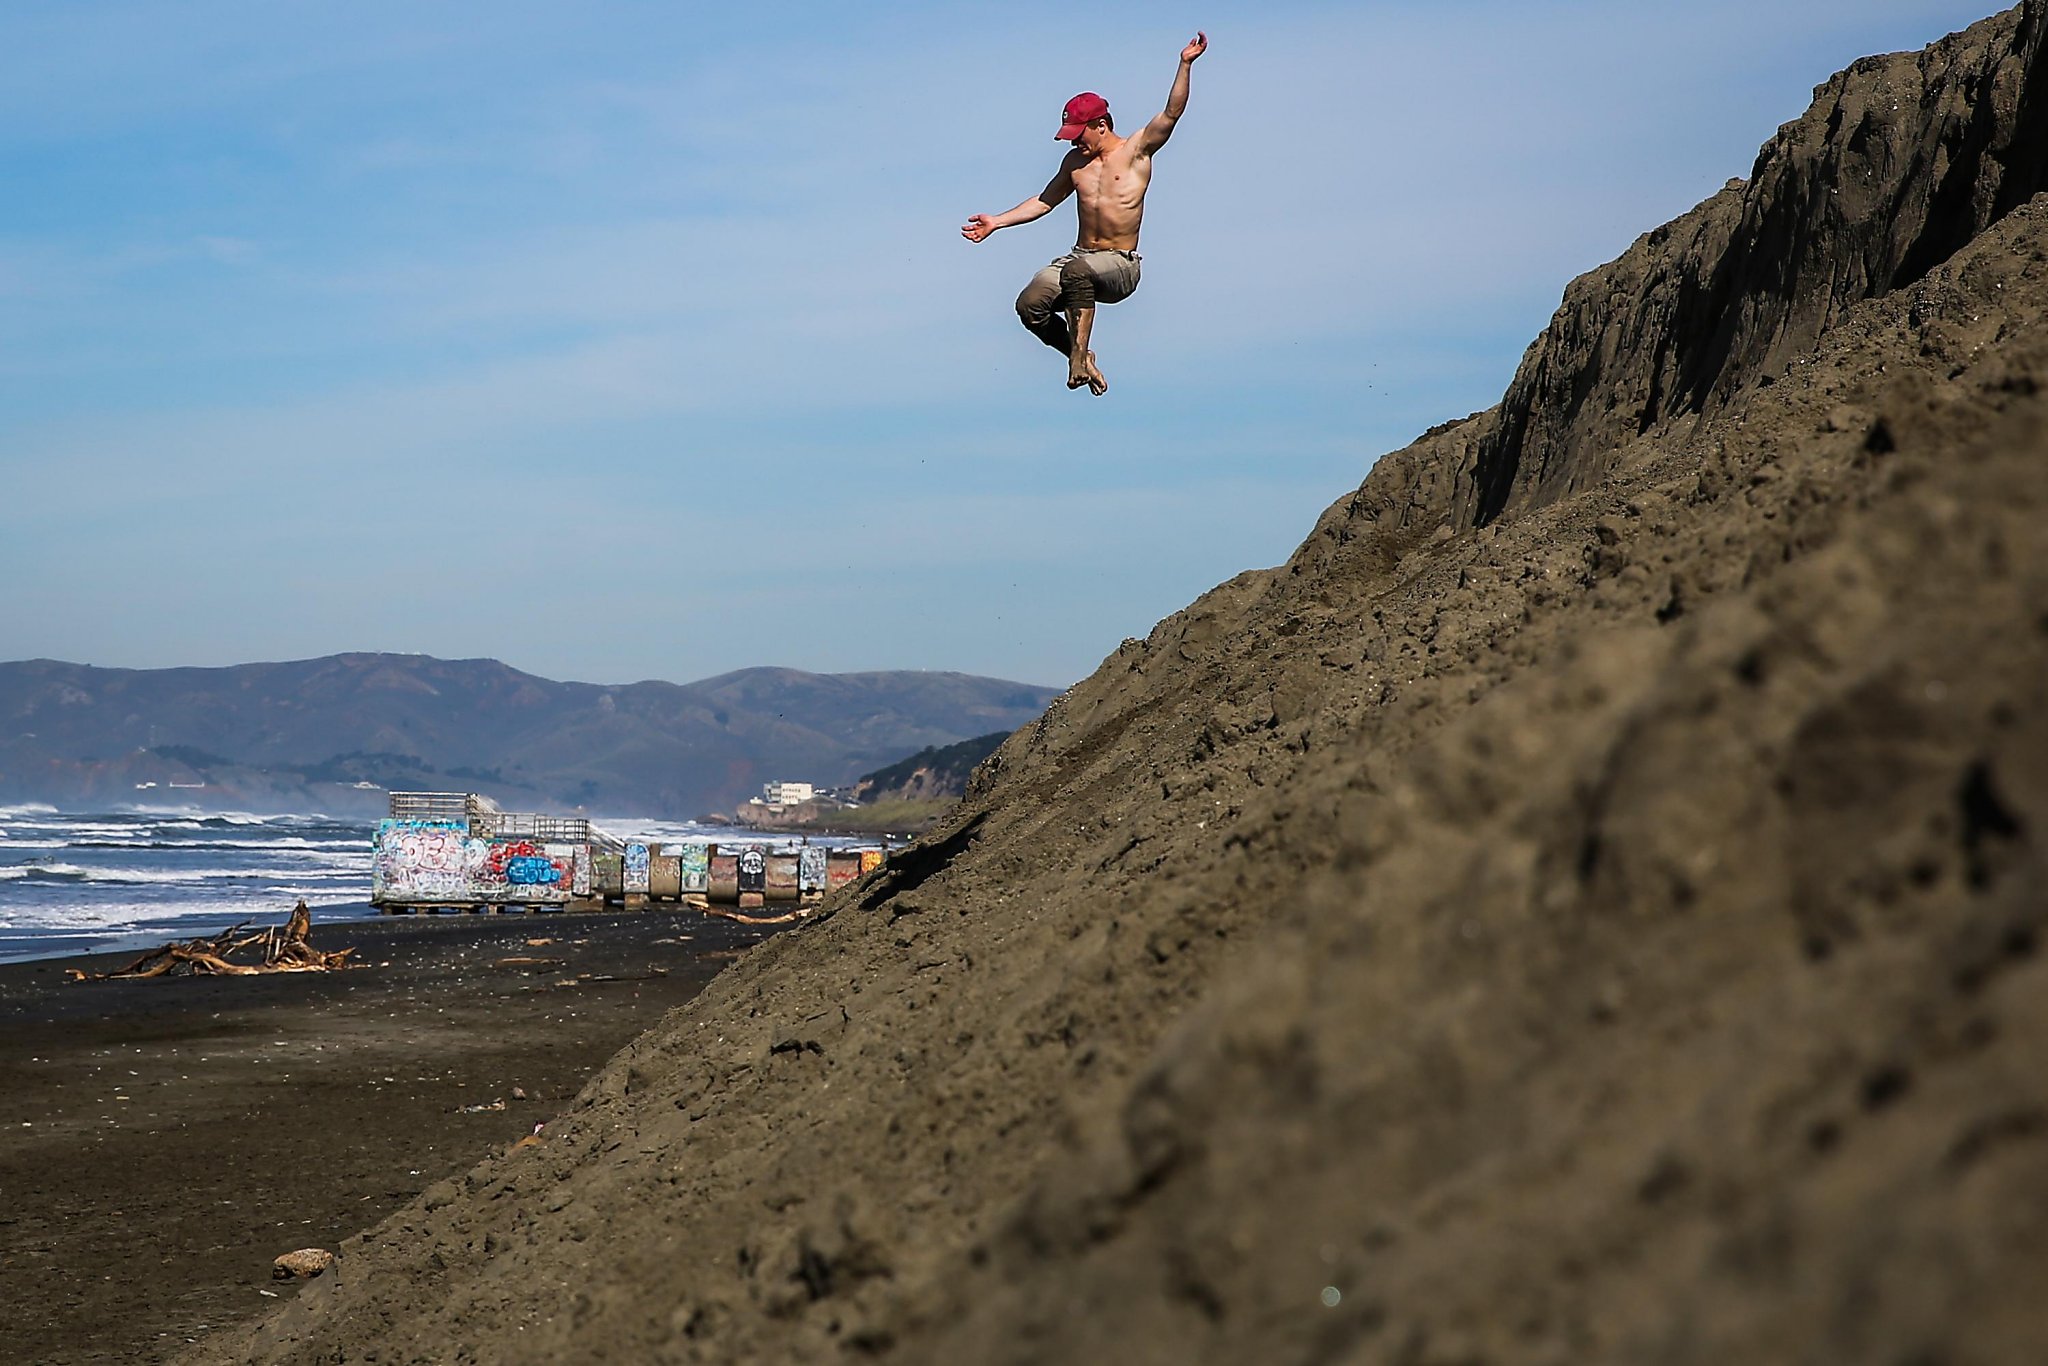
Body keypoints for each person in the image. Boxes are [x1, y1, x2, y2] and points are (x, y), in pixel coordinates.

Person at [961, 32, 1207, 396]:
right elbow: (1045, 200)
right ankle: (1081, 356)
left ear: (1101, 125)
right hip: (1080, 257)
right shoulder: (1075, 163)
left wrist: (1184, 64)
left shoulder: (1136, 152)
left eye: (1080, 134)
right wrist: (997, 221)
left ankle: (1078, 358)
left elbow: (1172, 112)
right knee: (1029, 305)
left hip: (1120, 264)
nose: (1075, 141)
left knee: (1078, 273)